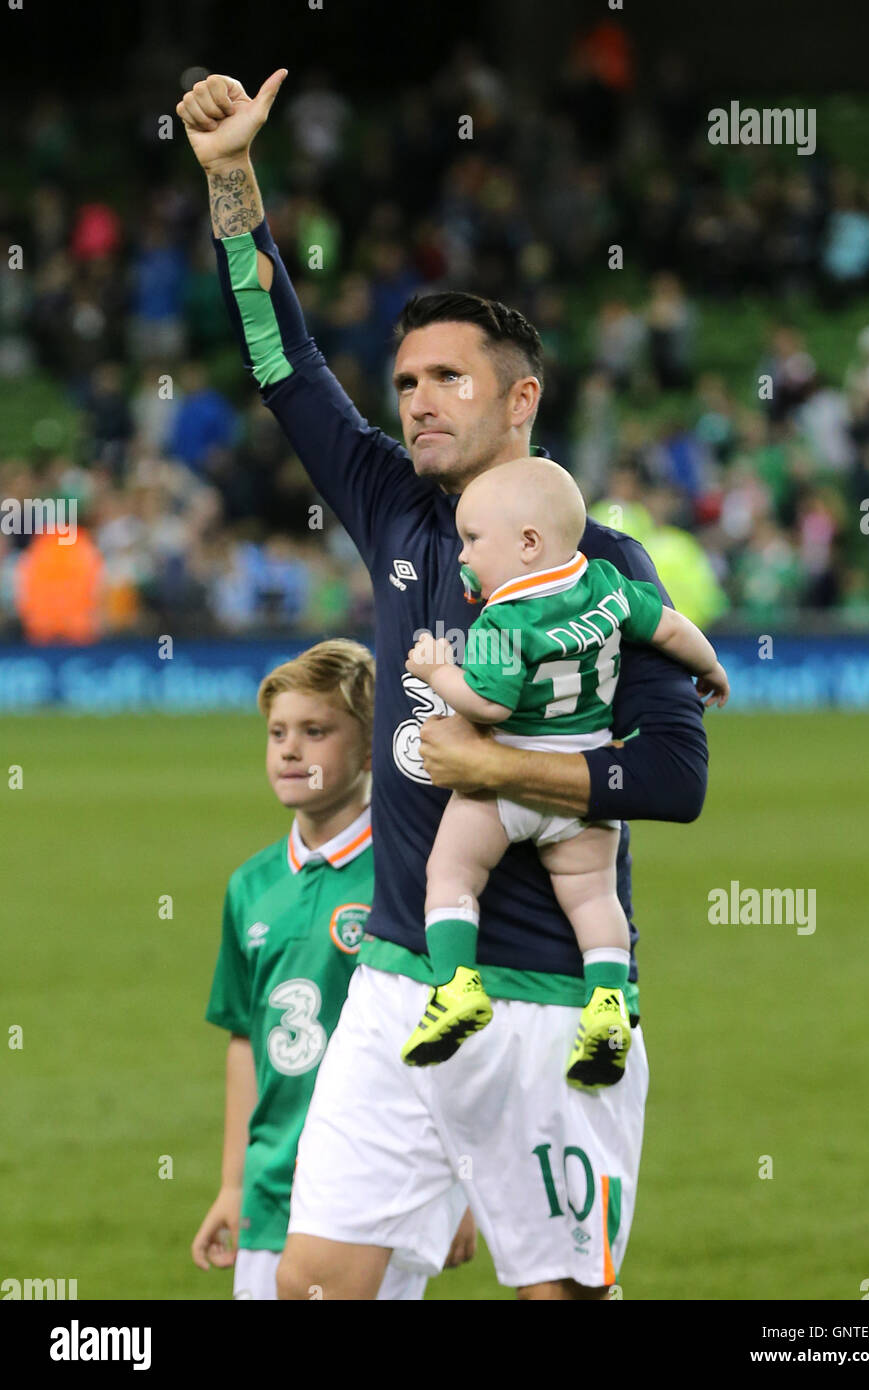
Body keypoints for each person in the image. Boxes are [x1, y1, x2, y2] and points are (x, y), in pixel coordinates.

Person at [178, 71, 709, 1301]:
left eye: (447, 380)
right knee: (314, 1285)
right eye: (407, 380)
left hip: (547, 1008)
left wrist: (497, 769)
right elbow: (283, 361)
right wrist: (229, 178)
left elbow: (673, 780)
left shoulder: (606, 572)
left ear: (520, 399)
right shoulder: (394, 514)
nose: (415, 400)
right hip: (399, 987)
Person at [400, 457, 728, 1088]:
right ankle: (609, 1002)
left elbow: (487, 705)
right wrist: (708, 667)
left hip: (510, 780)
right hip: (586, 782)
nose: (463, 557)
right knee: (594, 898)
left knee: (451, 870)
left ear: (528, 544)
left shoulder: (503, 618)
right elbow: (669, 626)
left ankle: (456, 985)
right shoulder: (607, 585)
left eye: (473, 540)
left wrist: (435, 669)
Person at [191, 640, 472, 1299]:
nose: (290, 751)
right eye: (277, 733)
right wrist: (234, 1183)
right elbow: (243, 1039)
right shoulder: (250, 886)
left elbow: (449, 1029)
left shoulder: (412, 875)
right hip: (272, 1185)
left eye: (315, 732)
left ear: (373, 746)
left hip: (380, 1180)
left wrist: (458, 1186)